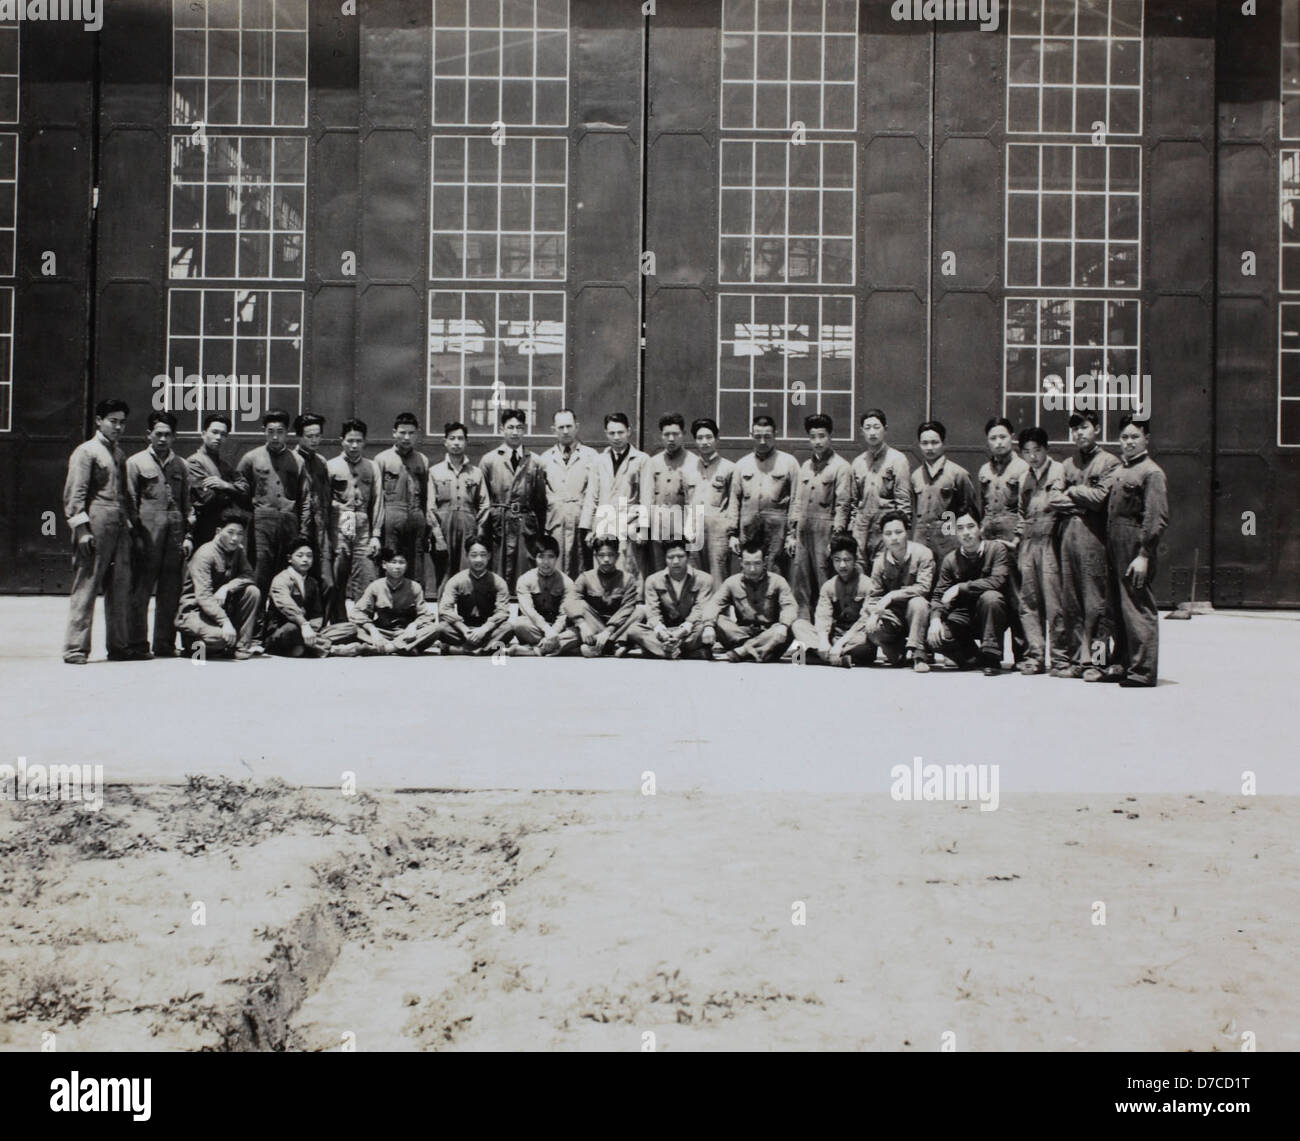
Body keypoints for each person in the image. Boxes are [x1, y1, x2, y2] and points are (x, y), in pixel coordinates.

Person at [62, 398, 138, 663]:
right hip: (95, 522)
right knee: (87, 584)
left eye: (122, 422)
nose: (118, 427)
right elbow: (75, 494)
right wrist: (82, 530)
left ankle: (118, 646)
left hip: (118, 524)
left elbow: (125, 496)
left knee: (120, 587)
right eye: (113, 421)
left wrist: (128, 523)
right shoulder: (87, 451)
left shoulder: (119, 454)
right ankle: (75, 648)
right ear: (99, 421)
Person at [1050, 410, 1120, 679]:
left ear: (1097, 429)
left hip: (1094, 539)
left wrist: (1073, 491)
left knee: (1097, 604)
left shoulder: (1109, 463)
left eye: (1085, 427)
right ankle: (1080, 660)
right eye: (1075, 429)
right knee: (1073, 602)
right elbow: (1053, 499)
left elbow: (1101, 498)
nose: (1079, 433)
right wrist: (1080, 502)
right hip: (1069, 538)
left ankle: (1099, 662)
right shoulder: (1067, 464)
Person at [1101, 416, 1168, 688]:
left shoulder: (1151, 473)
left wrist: (1144, 554)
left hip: (1135, 545)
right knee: (1116, 608)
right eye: (1125, 437)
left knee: (1137, 606)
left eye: (1134, 437)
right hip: (1115, 542)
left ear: (1146, 439)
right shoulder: (1121, 471)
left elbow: (1156, 518)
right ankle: (1122, 663)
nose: (1128, 442)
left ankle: (1142, 671)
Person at [126, 411, 193, 658]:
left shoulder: (181, 465)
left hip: (174, 538)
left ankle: (164, 644)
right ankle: (137, 643)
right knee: (141, 590)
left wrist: (188, 536)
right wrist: (135, 537)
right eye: (158, 434)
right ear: (149, 435)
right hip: (147, 536)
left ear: (174, 436)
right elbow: (130, 502)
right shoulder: (136, 463)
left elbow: (188, 505)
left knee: (170, 592)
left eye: (168, 434)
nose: (163, 439)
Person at [236, 408, 305, 619]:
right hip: (261, 521)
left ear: (288, 433)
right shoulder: (251, 458)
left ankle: (276, 625)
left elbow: (303, 497)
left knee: (285, 574)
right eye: (270, 431)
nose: (275, 437)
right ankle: (253, 629)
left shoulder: (297, 460)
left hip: (288, 521)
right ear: (264, 431)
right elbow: (240, 491)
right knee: (260, 574)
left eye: (280, 431)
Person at [926, 511, 1011, 676]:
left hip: (992, 616)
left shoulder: (996, 549)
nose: (966, 532)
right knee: (936, 639)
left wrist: (960, 587)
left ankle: (991, 657)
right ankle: (973, 656)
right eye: (960, 528)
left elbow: (998, 580)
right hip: (963, 618)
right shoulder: (951, 559)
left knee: (991, 598)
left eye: (971, 527)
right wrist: (935, 619)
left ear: (980, 528)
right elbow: (939, 595)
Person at [787, 413, 852, 621]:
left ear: (830, 437)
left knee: (825, 579)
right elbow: (796, 502)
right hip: (803, 532)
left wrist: (836, 539)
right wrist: (792, 534)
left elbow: (843, 505)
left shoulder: (841, 467)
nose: (817, 441)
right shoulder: (805, 466)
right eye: (813, 437)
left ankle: (828, 626)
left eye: (822, 436)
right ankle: (804, 629)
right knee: (801, 580)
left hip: (826, 532)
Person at [175, 509, 262, 659]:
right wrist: (225, 621)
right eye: (230, 532)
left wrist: (227, 587)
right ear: (218, 531)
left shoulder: (238, 552)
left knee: (252, 591)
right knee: (219, 638)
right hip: (195, 611)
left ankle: (240, 647)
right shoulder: (205, 553)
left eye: (240, 534)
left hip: (218, 610)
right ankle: (192, 645)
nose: (235, 538)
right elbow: (203, 596)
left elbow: (248, 575)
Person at [1015, 426, 1067, 675]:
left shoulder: (1059, 470)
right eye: (1026, 452)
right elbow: (1021, 511)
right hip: (1029, 543)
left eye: (1037, 450)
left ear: (1046, 449)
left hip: (1051, 542)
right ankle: (1035, 656)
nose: (1033, 456)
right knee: (1029, 601)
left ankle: (1060, 658)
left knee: (1055, 602)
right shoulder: (1024, 478)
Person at [479, 408, 547, 595]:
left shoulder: (535, 461)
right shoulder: (489, 460)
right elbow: (483, 498)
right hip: (499, 523)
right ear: (502, 429)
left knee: (524, 569)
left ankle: (524, 613)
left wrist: (538, 528)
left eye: (519, 427)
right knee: (499, 570)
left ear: (525, 429)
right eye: (510, 427)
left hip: (525, 523)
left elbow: (540, 501)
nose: (515, 432)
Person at [978, 416, 1030, 662]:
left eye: (1003, 437)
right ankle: (993, 651)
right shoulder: (984, 471)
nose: (998, 442)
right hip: (990, 542)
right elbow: (982, 506)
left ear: (1012, 438)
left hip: (1013, 543)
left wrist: (1019, 538)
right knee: (992, 594)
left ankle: (1023, 654)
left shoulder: (1022, 468)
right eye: (993, 438)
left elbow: (1026, 509)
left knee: (1017, 596)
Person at [858, 509, 936, 672]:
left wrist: (892, 595)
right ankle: (898, 653)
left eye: (898, 532)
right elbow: (874, 596)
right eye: (888, 533)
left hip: (917, 614)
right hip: (893, 616)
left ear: (907, 532)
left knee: (919, 603)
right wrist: (873, 614)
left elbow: (924, 588)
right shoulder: (879, 562)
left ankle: (918, 654)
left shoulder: (923, 554)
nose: (894, 537)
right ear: (883, 537)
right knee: (872, 629)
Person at [375, 412, 441, 600]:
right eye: (402, 432)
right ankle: (388, 607)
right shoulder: (382, 459)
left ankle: (414, 609)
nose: (406, 437)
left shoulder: (422, 460)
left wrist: (428, 525)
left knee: (416, 564)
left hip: (416, 517)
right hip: (391, 516)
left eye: (411, 433)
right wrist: (377, 529)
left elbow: (427, 495)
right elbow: (378, 497)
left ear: (417, 434)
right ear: (394, 433)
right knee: (390, 563)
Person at [726, 415, 800, 575]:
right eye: (757, 436)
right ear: (751, 435)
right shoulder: (742, 464)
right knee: (748, 568)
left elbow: (796, 500)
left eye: (767, 436)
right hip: (748, 528)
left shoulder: (789, 462)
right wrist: (732, 534)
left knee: (775, 570)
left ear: (776, 435)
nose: (762, 441)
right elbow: (734, 500)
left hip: (777, 530)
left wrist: (792, 534)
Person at [702, 540, 797, 663]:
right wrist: (708, 626)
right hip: (740, 635)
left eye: (757, 563)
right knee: (718, 620)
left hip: (769, 634)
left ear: (765, 562)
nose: (752, 569)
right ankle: (754, 651)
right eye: (747, 563)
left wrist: (784, 626)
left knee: (791, 625)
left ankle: (744, 651)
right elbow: (714, 604)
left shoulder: (778, 581)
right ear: (741, 562)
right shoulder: (732, 582)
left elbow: (789, 606)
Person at [328, 418, 384, 620]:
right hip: (340, 524)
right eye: (350, 440)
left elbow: (378, 502)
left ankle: (363, 622)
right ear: (341, 440)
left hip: (362, 525)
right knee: (337, 575)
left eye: (358, 441)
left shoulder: (372, 467)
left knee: (366, 574)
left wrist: (375, 535)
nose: (354, 445)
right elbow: (325, 501)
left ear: (364, 442)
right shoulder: (331, 466)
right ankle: (338, 623)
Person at [790, 534, 875, 668]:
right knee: (799, 624)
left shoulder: (867, 584)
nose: (842, 565)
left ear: (855, 560)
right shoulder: (828, 586)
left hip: (854, 637)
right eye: (837, 560)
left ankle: (818, 657)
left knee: (866, 641)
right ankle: (838, 659)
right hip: (834, 636)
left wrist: (840, 644)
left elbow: (864, 621)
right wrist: (824, 641)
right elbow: (823, 617)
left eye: (847, 560)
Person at [263, 537, 356, 657]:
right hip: (281, 632)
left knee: (350, 628)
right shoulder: (281, 579)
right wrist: (304, 625)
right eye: (300, 556)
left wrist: (313, 630)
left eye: (309, 556)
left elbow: (317, 614)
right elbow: (285, 605)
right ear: (289, 559)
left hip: (307, 632)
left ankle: (313, 646)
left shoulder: (312, 582)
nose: (305, 559)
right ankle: (331, 649)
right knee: (292, 629)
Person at [580, 411, 647, 576]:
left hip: (628, 526)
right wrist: (588, 529)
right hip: (602, 526)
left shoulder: (641, 459)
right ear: (606, 433)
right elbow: (592, 496)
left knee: (628, 573)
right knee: (603, 573)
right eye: (612, 433)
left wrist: (643, 529)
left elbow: (646, 497)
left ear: (629, 431)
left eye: (620, 432)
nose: (616, 437)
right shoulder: (599, 461)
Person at [627, 536, 715, 660]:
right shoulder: (652, 580)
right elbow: (653, 612)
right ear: (664, 558)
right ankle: (686, 653)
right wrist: (662, 632)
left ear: (688, 557)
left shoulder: (705, 579)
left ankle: (661, 651)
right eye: (670, 557)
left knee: (706, 628)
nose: (675, 561)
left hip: (690, 631)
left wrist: (682, 631)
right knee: (633, 630)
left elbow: (700, 610)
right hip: (665, 632)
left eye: (680, 556)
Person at [848, 408, 913, 566]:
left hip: (886, 526)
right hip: (861, 528)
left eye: (876, 427)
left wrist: (901, 533)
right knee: (859, 569)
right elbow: (854, 501)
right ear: (861, 431)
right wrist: (852, 528)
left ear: (885, 429)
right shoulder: (858, 462)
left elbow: (903, 501)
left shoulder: (898, 460)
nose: (872, 432)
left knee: (884, 569)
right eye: (868, 428)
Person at [539, 408, 598, 579]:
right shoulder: (545, 459)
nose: (565, 431)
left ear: (577, 427)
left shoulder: (591, 456)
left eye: (569, 426)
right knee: (555, 566)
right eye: (561, 427)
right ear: (553, 430)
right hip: (555, 522)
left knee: (581, 567)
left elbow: (595, 493)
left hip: (581, 522)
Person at [346, 548, 439, 655]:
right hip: (382, 632)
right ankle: (403, 648)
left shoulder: (414, 587)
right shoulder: (376, 586)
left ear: (406, 565)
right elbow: (358, 613)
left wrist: (413, 625)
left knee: (435, 629)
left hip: (405, 633)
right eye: (393, 562)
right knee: (352, 629)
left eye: (401, 563)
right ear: (384, 565)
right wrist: (373, 631)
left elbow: (426, 615)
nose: (397, 567)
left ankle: (386, 649)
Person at [429, 537, 512, 656]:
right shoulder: (456, 580)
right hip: (463, 628)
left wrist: (484, 629)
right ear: (467, 556)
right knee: (441, 628)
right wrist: (464, 630)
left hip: (488, 629)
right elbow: (445, 609)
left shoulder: (498, 582)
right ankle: (484, 650)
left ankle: (461, 650)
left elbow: (502, 612)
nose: (479, 559)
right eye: (474, 555)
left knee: (508, 628)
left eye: (483, 555)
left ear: (489, 556)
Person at [911, 419, 978, 565]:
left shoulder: (958, 474)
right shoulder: (916, 476)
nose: (929, 447)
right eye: (925, 443)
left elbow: (968, 509)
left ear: (944, 443)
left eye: (935, 442)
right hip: (921, 541)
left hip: (948, 542)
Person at [640, 413, 700, 574]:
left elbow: (695, 501)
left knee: (685, 573)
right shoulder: (653, 462)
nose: (671, 439)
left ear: (684, 435)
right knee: (658, 573)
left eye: (676, 434)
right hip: (657, 531)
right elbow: (647, 497)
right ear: (661, 436)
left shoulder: (694, 463)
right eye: (667, 434)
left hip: (683, 531)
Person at [428, 420, 487, 585]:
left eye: (460, 438)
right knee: (444, 574)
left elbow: (484, 505)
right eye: (452, 438)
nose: (456, 443)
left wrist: (478, 532)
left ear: (466, 442)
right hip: (444, 528)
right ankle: (444, 610)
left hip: (469, 528)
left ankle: (465, 611)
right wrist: (438, 537)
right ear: (445, 441)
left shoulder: (476, 473)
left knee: (467, 573)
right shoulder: (434, 472)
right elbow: (430, 507)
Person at [506, 534, 581, 656]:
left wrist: (553, 633)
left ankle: (534, 650)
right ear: (535, 558)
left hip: (559, 630)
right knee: (519, 624)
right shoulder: (524, 580)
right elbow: (529, 611)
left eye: (550, 557)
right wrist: (547, 630)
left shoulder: (567, 582)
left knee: (578, 632)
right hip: (535, 628)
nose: (546, 562)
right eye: (541, 557)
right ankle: (559, 647)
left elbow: (564, 615)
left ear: (557, 558)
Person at [567, 536, 642, 657]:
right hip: (594, 625)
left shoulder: (628, 579)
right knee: (580, 604)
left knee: (640, 610)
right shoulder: (585, 577)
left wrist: (608, 631)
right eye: (601, 555)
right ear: (596, 556)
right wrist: (582, 625)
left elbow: (627, 608)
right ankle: (613, 646)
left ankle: (600, 646)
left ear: (617, 556)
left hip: (617, 628)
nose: (606, 559)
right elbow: (571, 601)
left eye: (610, 555)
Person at [294, 412, 335, 618]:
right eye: (309, 436)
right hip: (297, 532)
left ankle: (321, 628)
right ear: (299, 437)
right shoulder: (292, 460)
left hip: (320, 531)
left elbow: (326, 499)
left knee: (327, 581)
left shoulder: (321, 462)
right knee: (298, 583)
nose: (314, 440)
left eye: (317, 435)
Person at [186, 412, 248, 547]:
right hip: (203, 525)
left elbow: (244, 488)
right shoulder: (194, 462)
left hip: (223, 527)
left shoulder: (225, 465)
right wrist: (233, 492)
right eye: (214, 432)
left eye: (223, 434)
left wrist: (224, 485)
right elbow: (206, 497)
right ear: (203, 434)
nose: (218, 437)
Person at [688, 417, 736, 584]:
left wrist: (732, 533)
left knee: (718, 576)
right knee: (695, 576)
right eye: (700, 438)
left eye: (709, 437)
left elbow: (734, 504)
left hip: (718, 533)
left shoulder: (729, 468)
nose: (704, 442)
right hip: (694, 531)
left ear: (717, 439)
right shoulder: (689, 469)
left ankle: (719, 610)